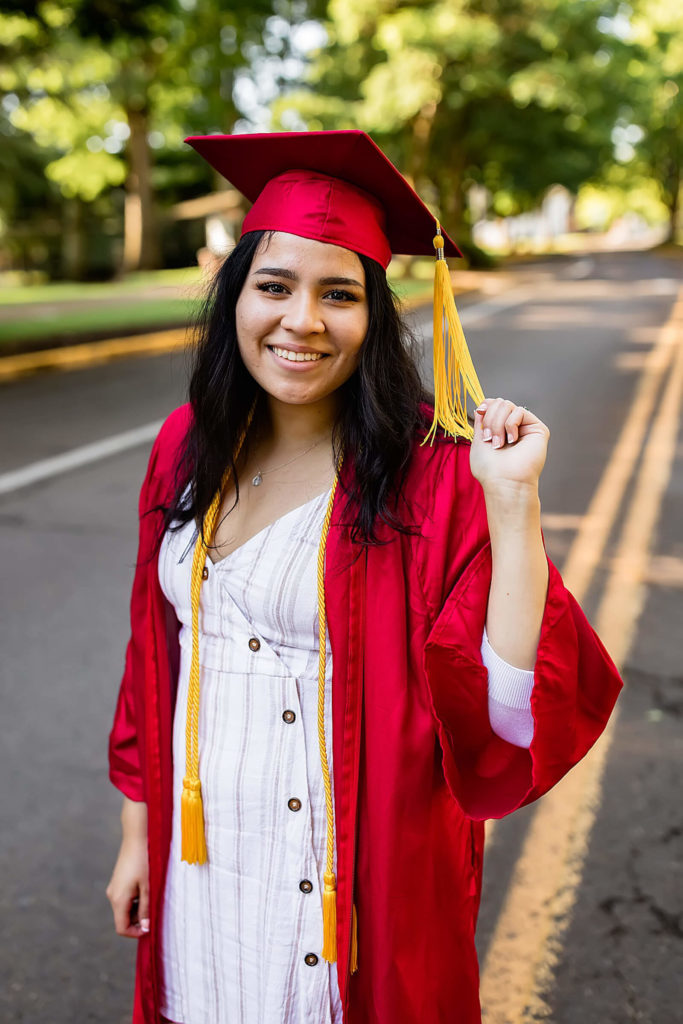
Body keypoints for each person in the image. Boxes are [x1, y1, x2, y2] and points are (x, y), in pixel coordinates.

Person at [106, 130, 623, 1024]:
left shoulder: (430, 472)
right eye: (274, 286)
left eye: (337, 295)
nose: (301, 320)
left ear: (372, 316)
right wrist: (137, 834)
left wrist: (511, 507)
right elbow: (155, 656)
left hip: (347, 878)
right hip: (200, 864)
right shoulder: (182, 447)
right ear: (235, 297)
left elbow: (506, 707)